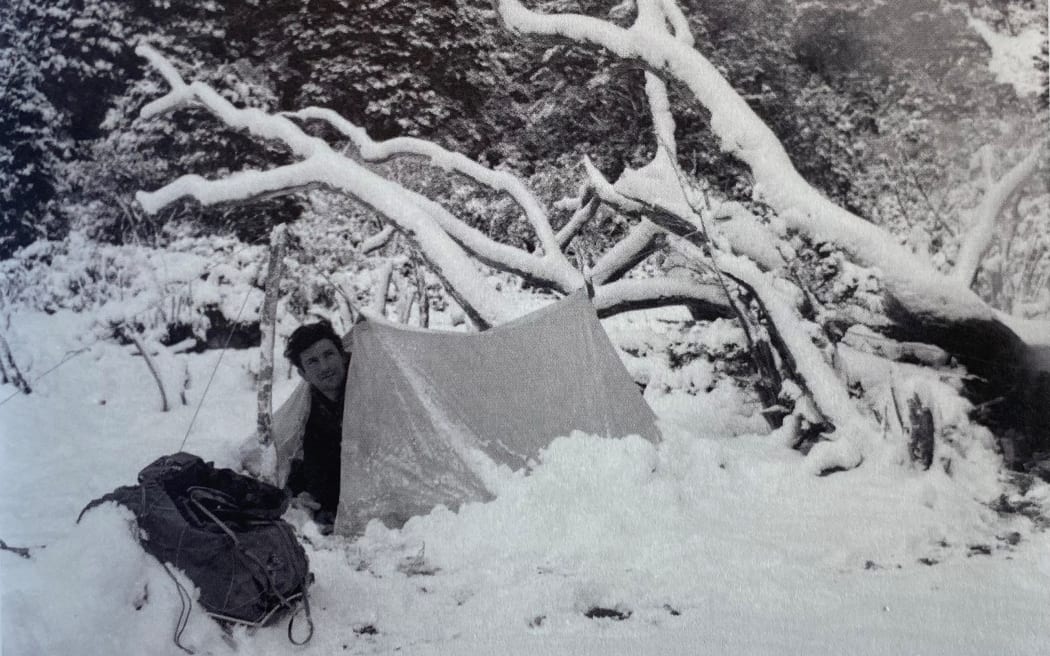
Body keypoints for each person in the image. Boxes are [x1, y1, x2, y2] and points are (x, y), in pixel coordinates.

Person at [280, 320, 350, 528]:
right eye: (312, 361)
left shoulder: (370, 389)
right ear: (303, 374)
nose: (325, 367)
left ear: (343, 356)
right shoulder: (307, 412)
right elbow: (308, 461)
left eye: (329, 355)